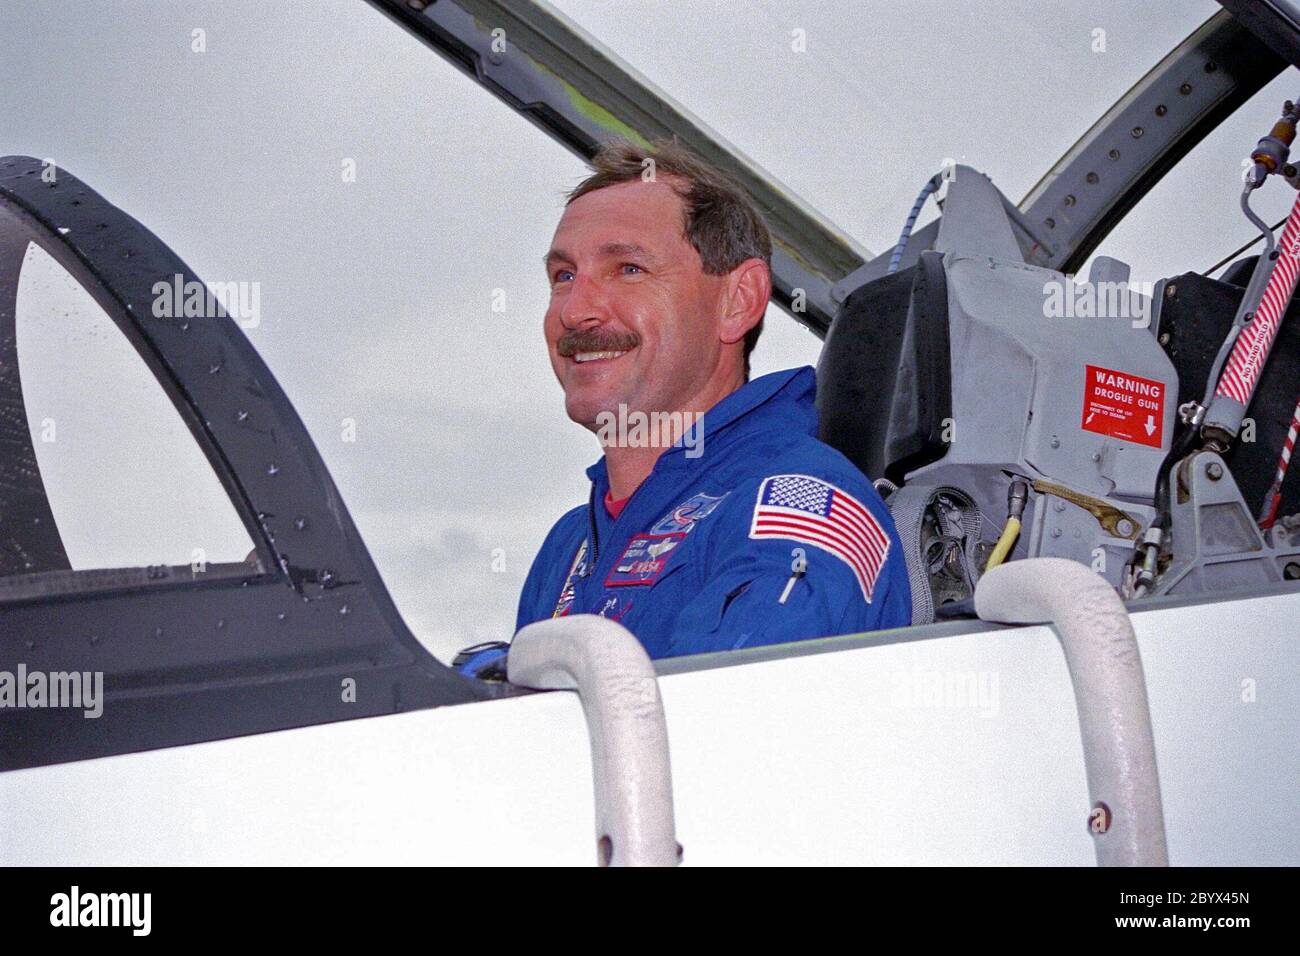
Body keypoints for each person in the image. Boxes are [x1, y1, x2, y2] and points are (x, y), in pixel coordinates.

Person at [455, 140, 910, 678]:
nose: (576, 311)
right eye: (564, 276)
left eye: (628, 269)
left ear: (737, 301)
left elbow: (722, 735)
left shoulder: (803, 506)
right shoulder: (569, 547)